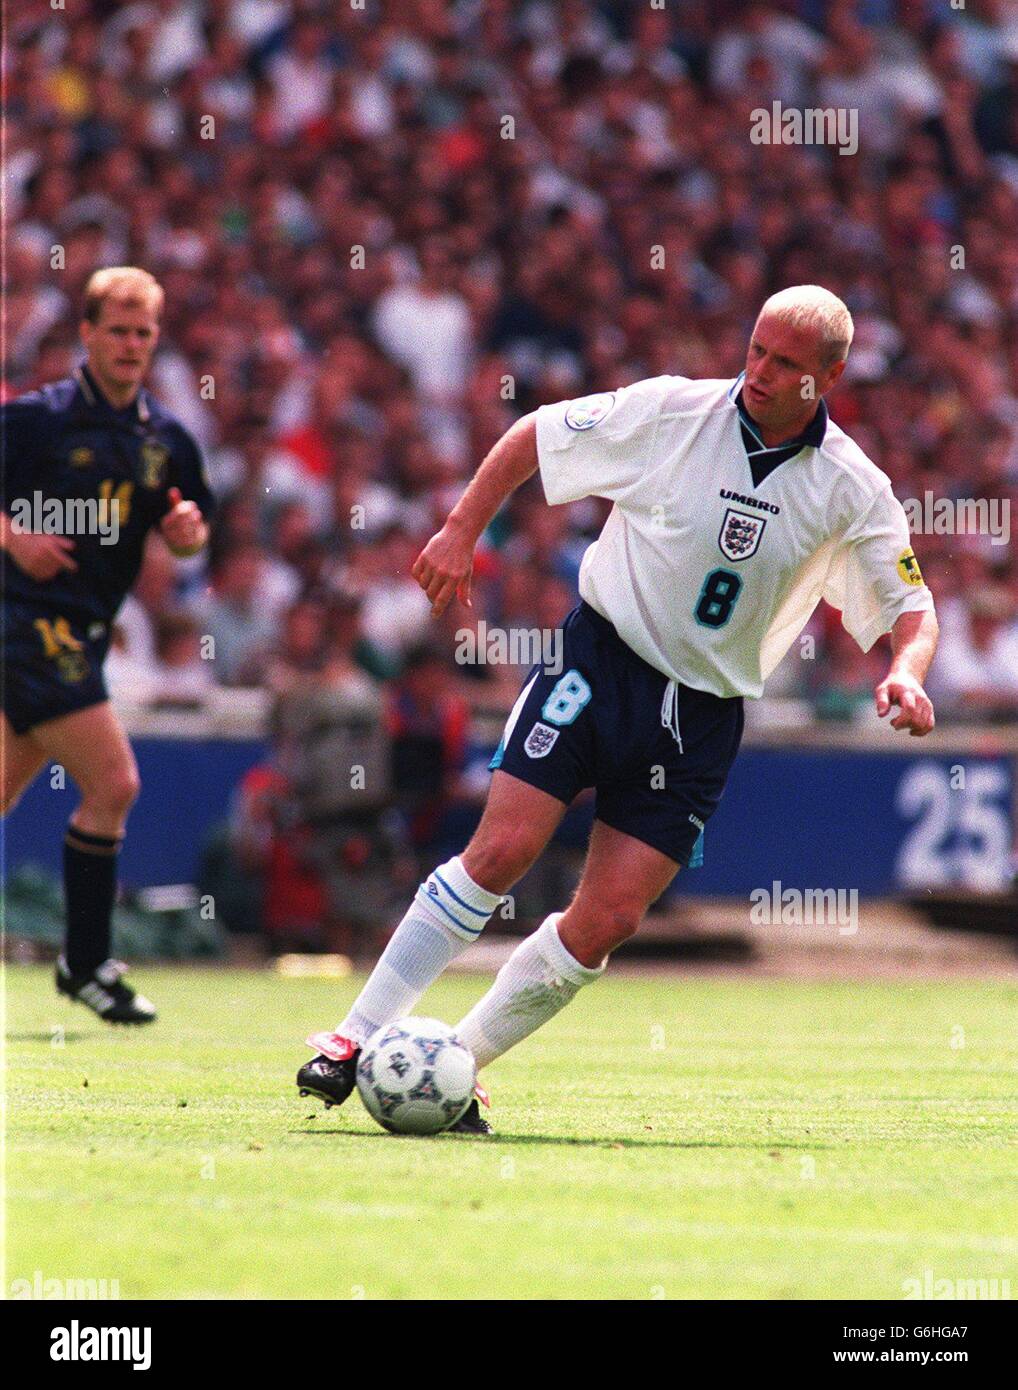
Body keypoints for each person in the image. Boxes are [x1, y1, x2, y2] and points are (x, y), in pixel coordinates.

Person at [297, 285, 938, 1133]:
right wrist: (460, 531)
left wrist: (909, 671)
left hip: (703, 713)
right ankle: (352, 1036)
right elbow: (534, 434)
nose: (759, 371)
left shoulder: (853, 487)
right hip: (600, 659)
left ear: (830, 376)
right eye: (755, 349)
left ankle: (456, 1064)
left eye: (785, 363)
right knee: (503, 850)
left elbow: (912, 608)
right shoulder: (674, 411)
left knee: (608, 919)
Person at [1, 267, 213, 1023]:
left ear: (155, 340)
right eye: (116, 330)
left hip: (78, 636)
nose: (129, 344)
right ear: (86, 333)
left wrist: (187, 537)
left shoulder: (164, 439)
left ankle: (85, 965)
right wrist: (15, 537)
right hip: (23, 620)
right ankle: (87, 964)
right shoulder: (38, 419)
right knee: (115, 782)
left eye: (142, 332)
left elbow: (191, 529)